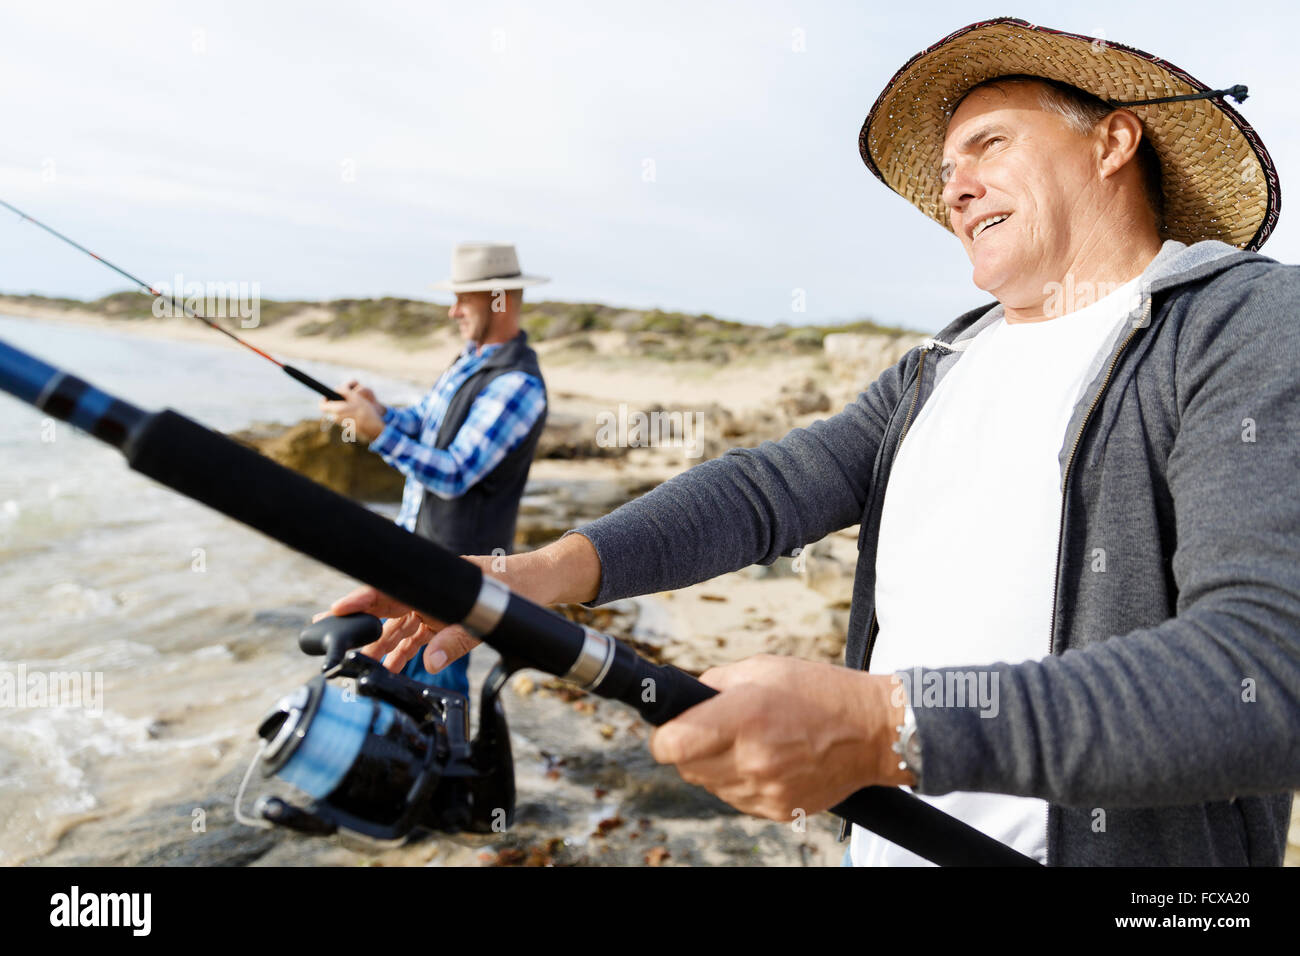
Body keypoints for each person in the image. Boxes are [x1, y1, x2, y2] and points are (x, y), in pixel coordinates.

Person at [325, 19, 1299, 866]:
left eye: (988, 145)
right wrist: (527, 573)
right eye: (947, 173)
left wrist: (887, 725)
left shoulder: (1243, 324)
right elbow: (767, 490)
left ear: (1113, 141)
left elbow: (1263, 670)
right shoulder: (945, 361)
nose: (954, 190)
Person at [320, 242, 548, 699]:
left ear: (498, 298)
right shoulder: (468, 360)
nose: (453, 311)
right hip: (413, 561)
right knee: (388, 682)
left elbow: (454, 473)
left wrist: (377, 434)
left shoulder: (517, 384)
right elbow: (425, 421)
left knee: (434, 691)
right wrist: (376, 410)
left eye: (463, 297)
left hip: (453, 578)